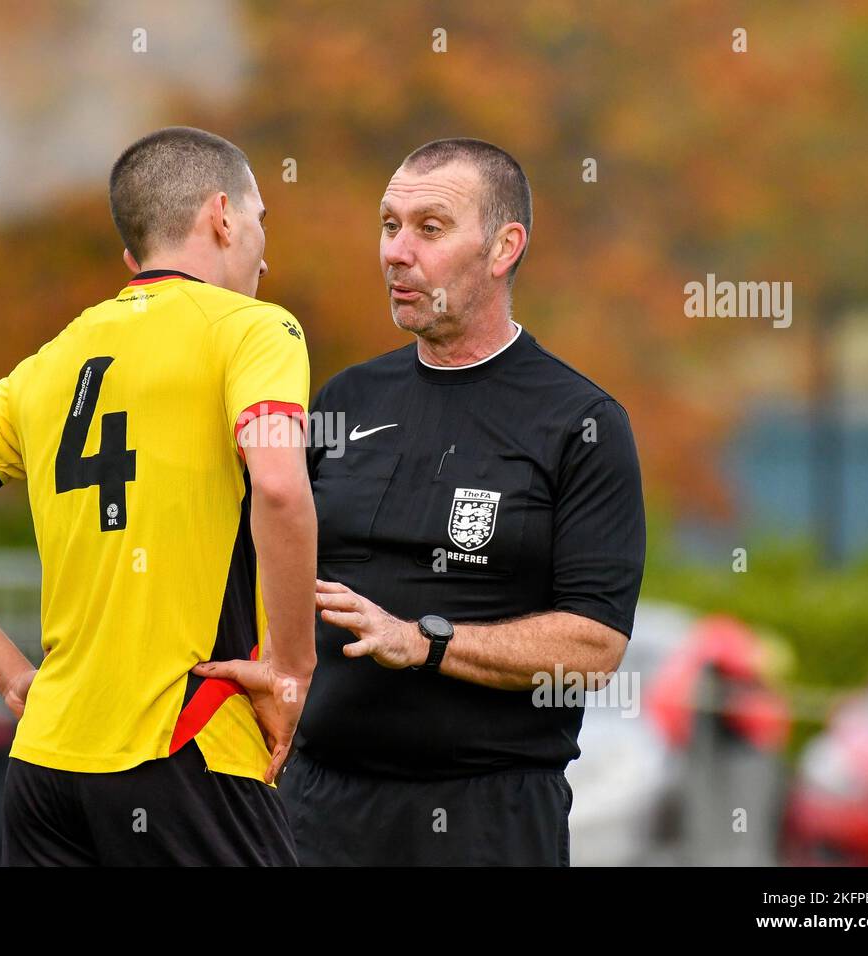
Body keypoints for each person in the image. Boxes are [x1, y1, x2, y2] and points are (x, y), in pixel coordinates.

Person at [0, 126, 317, 866]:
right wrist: (292, 670)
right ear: (223, 215)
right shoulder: (256, 331)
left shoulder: (49, 364)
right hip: (185, 748)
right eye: (261, 220)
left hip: (46, 763)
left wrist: (11, 675)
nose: (266, 253)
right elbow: (279, 486)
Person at [276, 138, 645, 866]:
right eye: (389, 225)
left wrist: (425, 641)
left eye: (430, 228)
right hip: (319, 811)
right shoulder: (345, 399)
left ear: (504, 246)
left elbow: (595, 649)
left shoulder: (582, 422)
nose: (396, 252)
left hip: (488, 818)